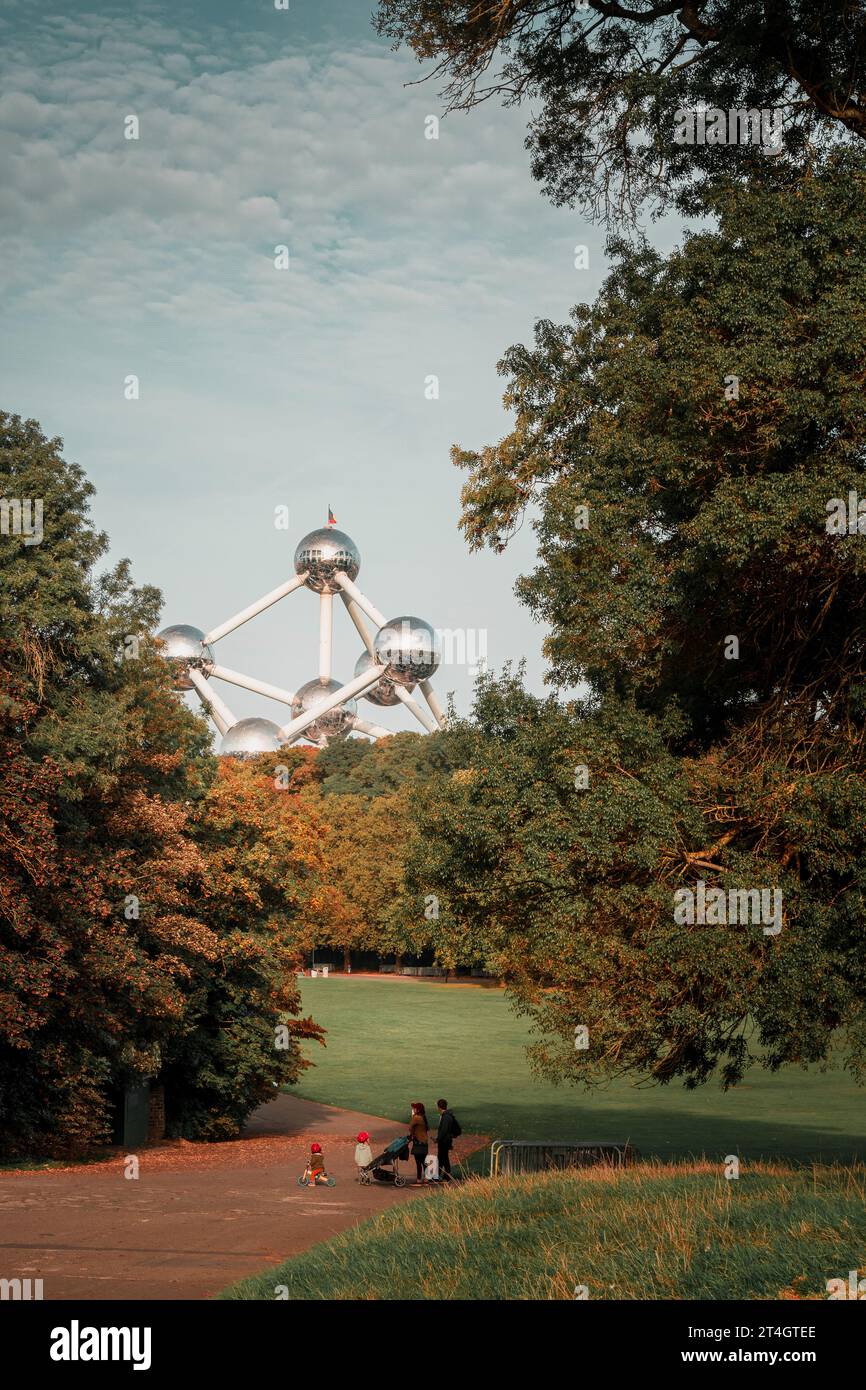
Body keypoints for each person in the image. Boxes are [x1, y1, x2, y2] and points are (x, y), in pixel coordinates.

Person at [435, 1099, 461, 1180]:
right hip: (446, 1140)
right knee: (444, 1158)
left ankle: (441, 1175)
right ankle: (446, 1175)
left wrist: (438, 1139)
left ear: (439, 1107)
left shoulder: (446, 1117)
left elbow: (443, 1130)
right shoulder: (448, 1115)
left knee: (441, 1158)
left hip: (444, 1141)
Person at [408, 1102, 429, 1185]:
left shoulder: (416, 1117)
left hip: (418, 1142)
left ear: (418, 1109)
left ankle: (419, 1179)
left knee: (418, 1162)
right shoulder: (423, 1117)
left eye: (414, 1108)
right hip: (424, 1142)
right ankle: (426, 1178)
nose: (413, 1109)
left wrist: (413, 1116)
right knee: (424, 1162)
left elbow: (410, 1128)